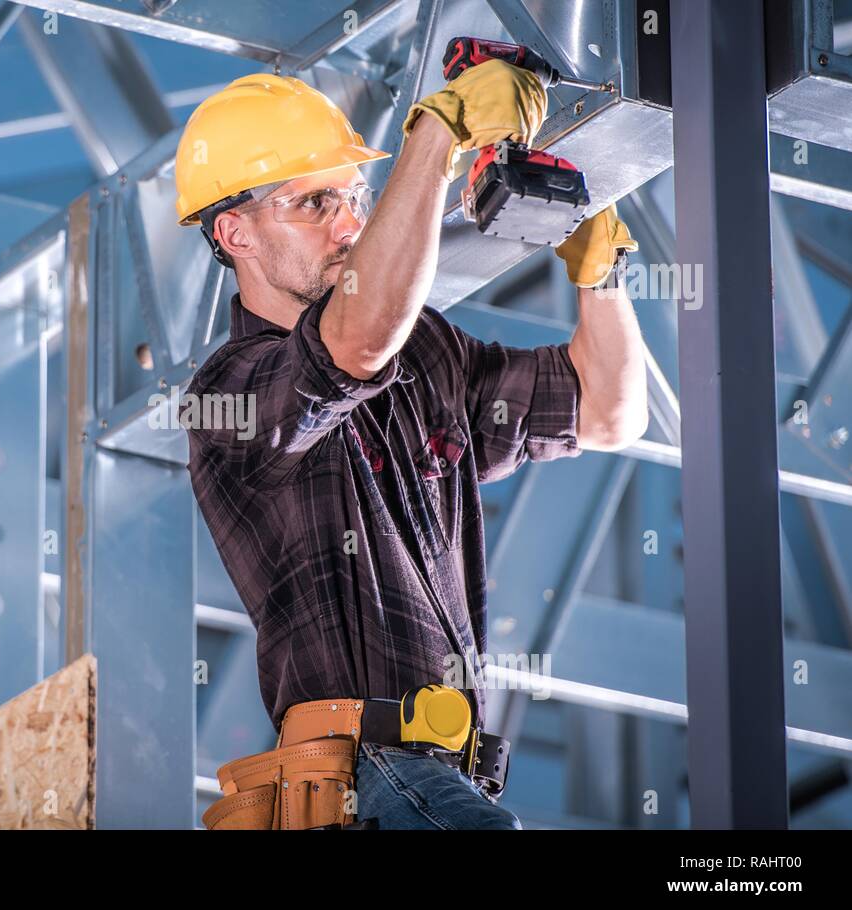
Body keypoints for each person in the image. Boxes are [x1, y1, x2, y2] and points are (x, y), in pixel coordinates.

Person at [177, 62, 646, 830]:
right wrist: (439, 132)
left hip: (439, 778)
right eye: (316, 202)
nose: (348, 224)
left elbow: (607, 413)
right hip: (361, 780)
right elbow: (352, 346)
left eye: (354, 198)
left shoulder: (424, 353)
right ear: (235, 233)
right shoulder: (227, 395)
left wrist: (600, 266)